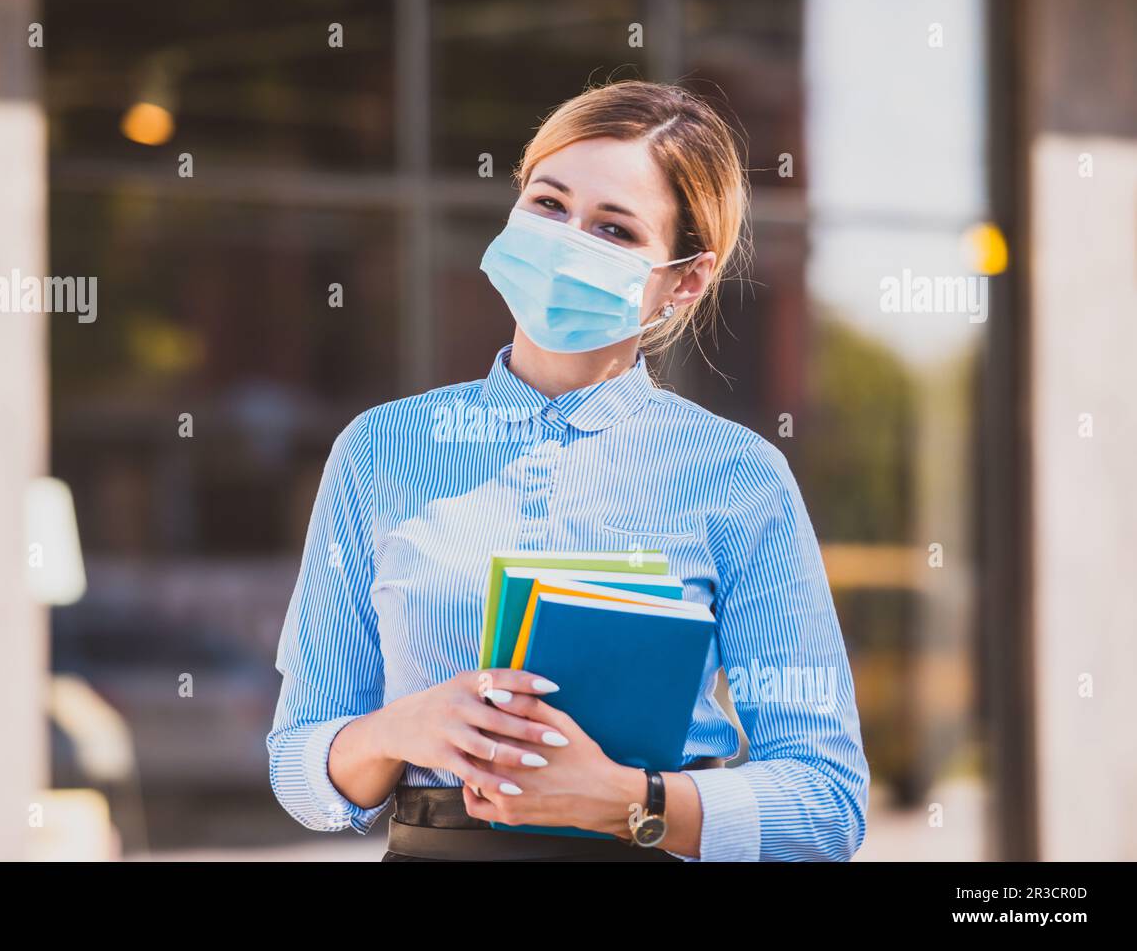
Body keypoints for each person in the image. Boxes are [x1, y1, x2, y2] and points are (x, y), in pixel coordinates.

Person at [267, 80, 869, 861]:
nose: (567, 240)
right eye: (549, 205)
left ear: (684, 280)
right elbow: (297, 768)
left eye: (614, 229)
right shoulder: (378, 451)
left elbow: (827, 803)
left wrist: (632, 801)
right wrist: (398, 729)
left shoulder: (738, 477)